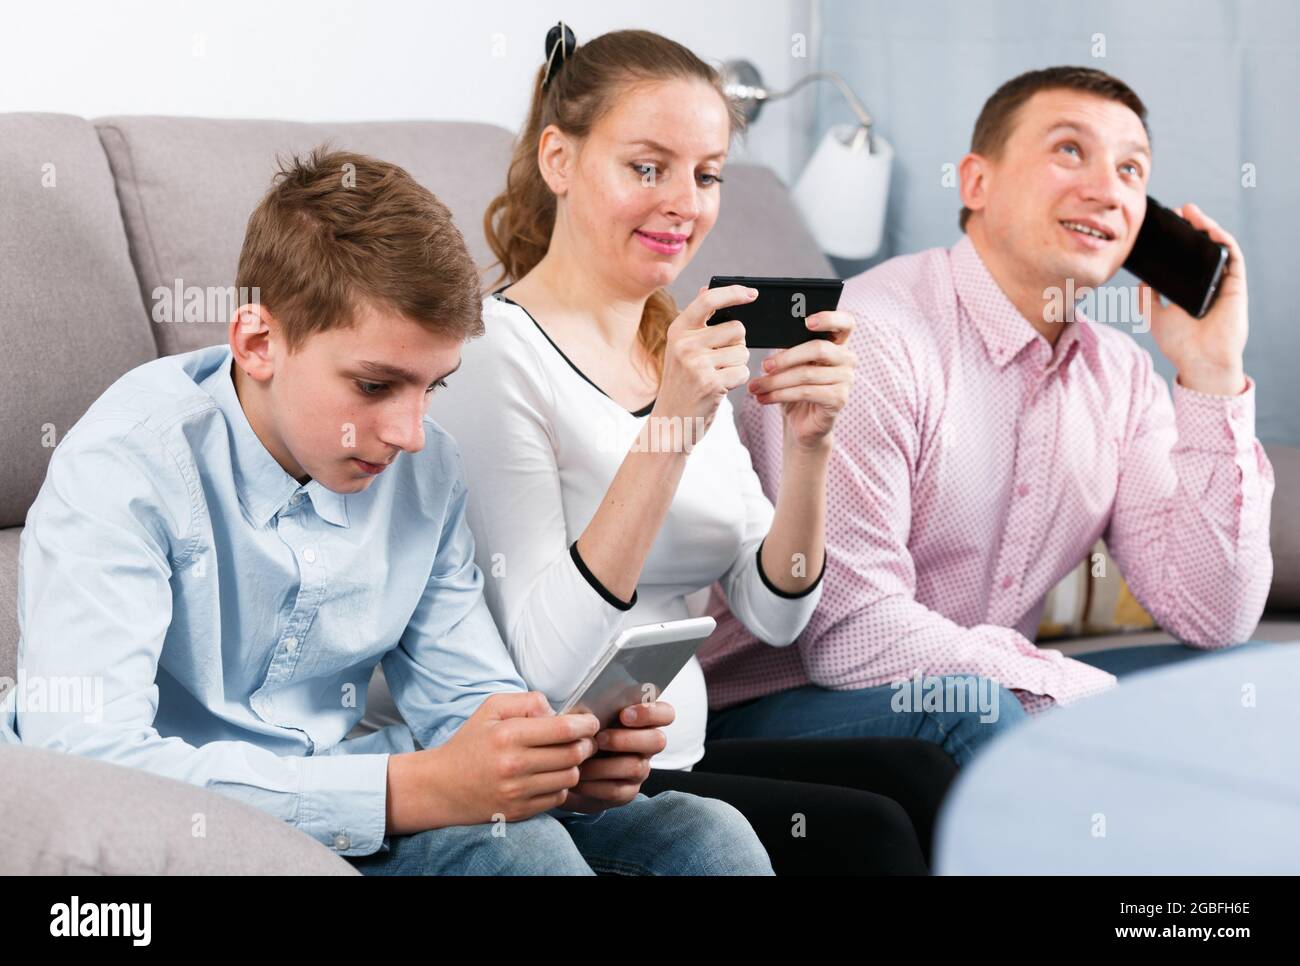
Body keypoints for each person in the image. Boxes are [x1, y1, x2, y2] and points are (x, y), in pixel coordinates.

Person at [13, 148, 772, 876]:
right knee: (517, 855)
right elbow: (86, 759)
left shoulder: (425, 466)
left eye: (432, 386)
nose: (409, 435)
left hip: (355, 786)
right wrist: (413, 789)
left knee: (704, 834)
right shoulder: (128, 465)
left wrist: (545, 760)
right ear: (257, 341)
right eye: (374, 386)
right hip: (192, 822)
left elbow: (465, 697)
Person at [431, 24, 960, 875]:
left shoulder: (675, 342)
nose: (686, 201)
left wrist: (811, 448)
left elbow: (775, 609)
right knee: (874, 831)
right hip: (583, 779)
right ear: (558, 161)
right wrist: (671, 428)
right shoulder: (495, 354)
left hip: (680, 752)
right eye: (648, 167)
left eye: (707, 174)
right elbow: (545, 664)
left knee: (925, 775)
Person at [702, 66, 1273, 756]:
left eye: (1131, 169)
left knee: (1236, 683)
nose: (1107, 190)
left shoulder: (1119, 375)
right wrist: (1090, 698)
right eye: (1070, 150)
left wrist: (1212, 374)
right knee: (977, 710)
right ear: (976, 183)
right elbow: (851, 637)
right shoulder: (873, 337)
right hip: (773, 704)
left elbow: (1214, 614)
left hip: (980, 691)